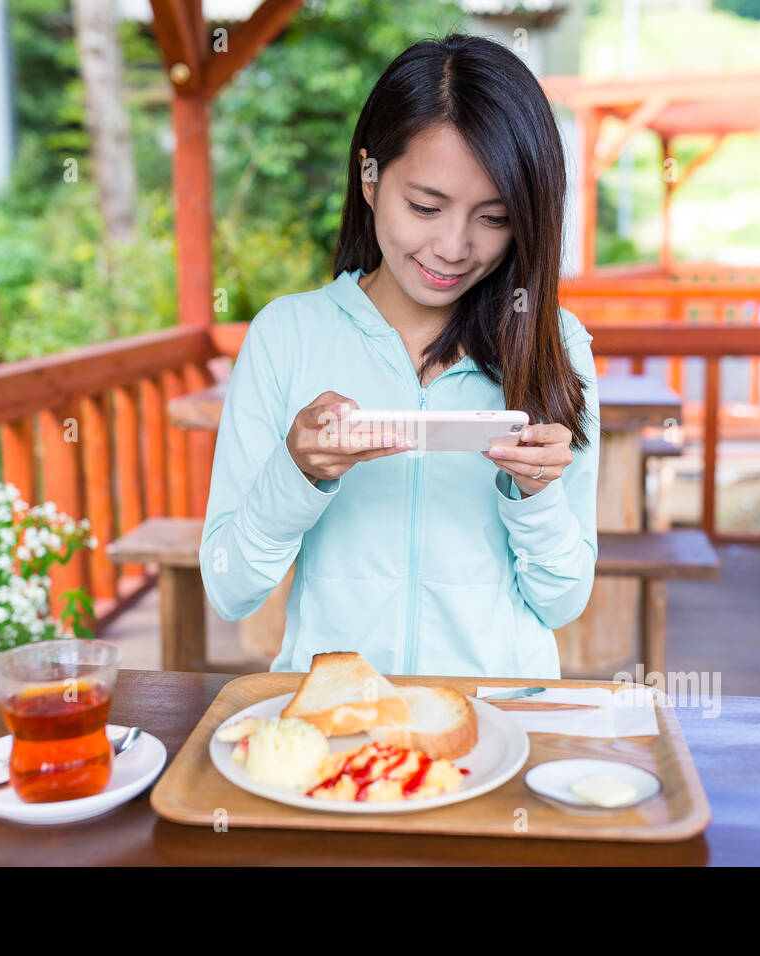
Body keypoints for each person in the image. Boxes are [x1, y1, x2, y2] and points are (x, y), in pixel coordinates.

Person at [199, 33, 600, 679]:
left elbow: (562, 603)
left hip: (498, 721)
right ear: (369, 176)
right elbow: (229, 589)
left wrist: (534, 496)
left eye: (493, 218)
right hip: (339, 724)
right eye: (425, 206)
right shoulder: (287, 334)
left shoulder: (555, 343)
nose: (452, 246)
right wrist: (299, 474)